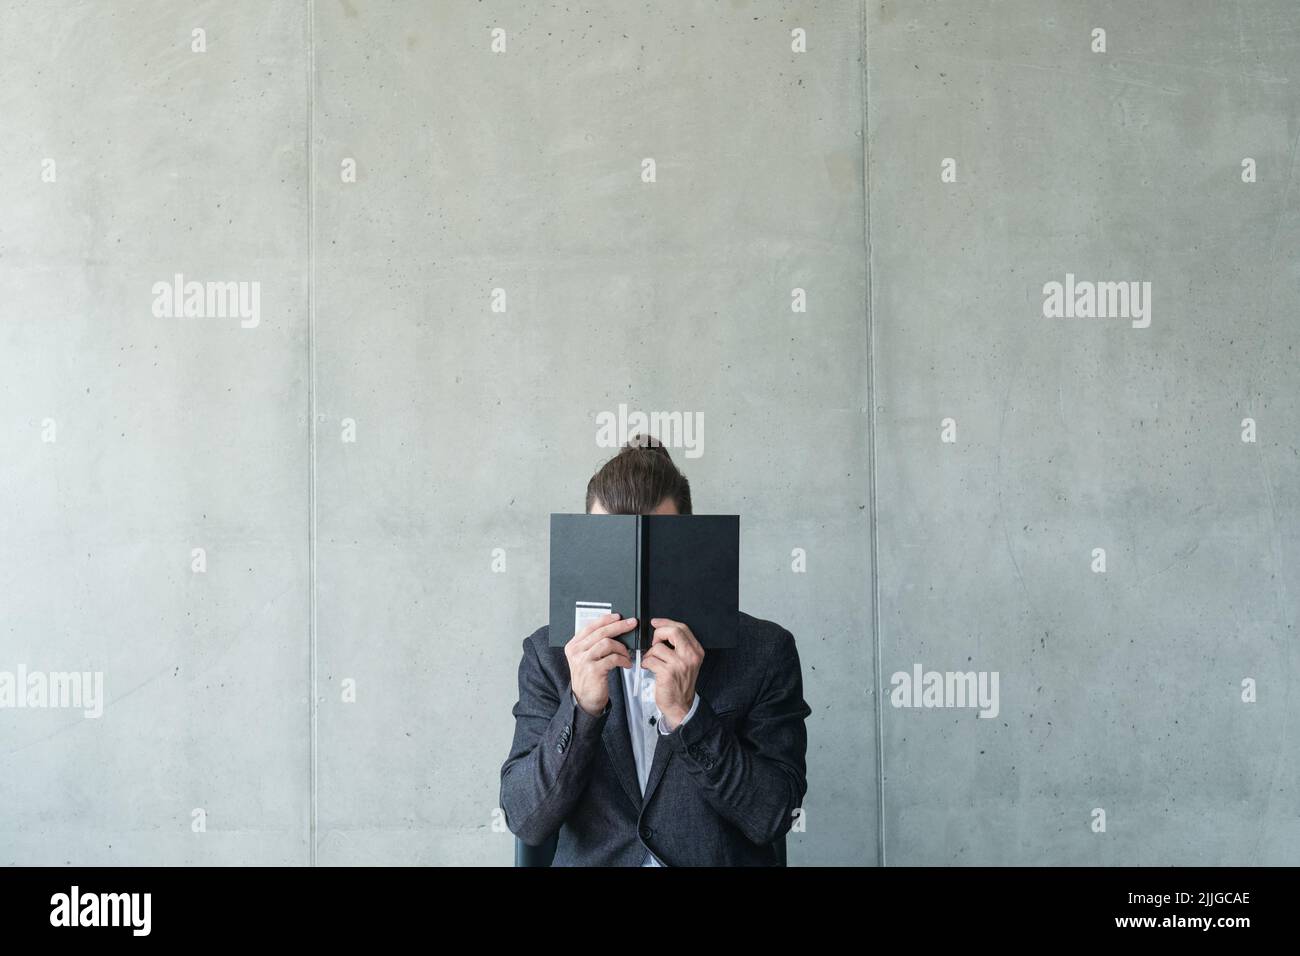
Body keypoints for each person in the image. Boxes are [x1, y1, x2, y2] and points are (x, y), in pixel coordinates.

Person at [499, 434, 811, 865]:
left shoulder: (764, 652)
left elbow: (773, 816)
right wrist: (582, 709)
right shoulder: (549, 655)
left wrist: (689, 717)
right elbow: (524, 819)